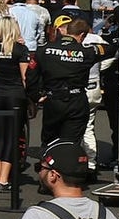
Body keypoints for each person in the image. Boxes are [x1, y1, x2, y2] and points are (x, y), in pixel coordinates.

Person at [33, 16, 96, 154]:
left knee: (49, 141)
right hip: (76, 101)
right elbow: (111, 49)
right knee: (71, 144)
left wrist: (34, 98)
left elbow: (31, 78)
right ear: (82, 35)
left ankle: (49, 167)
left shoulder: (44, 49)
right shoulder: (87, 51)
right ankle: (67, 169)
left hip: (53, 102)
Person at [0, 15, 30, 190]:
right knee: (12, 137)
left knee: (0, 137)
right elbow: (25, 78)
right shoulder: (20, 49)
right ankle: (4, 179)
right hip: (14, 95)